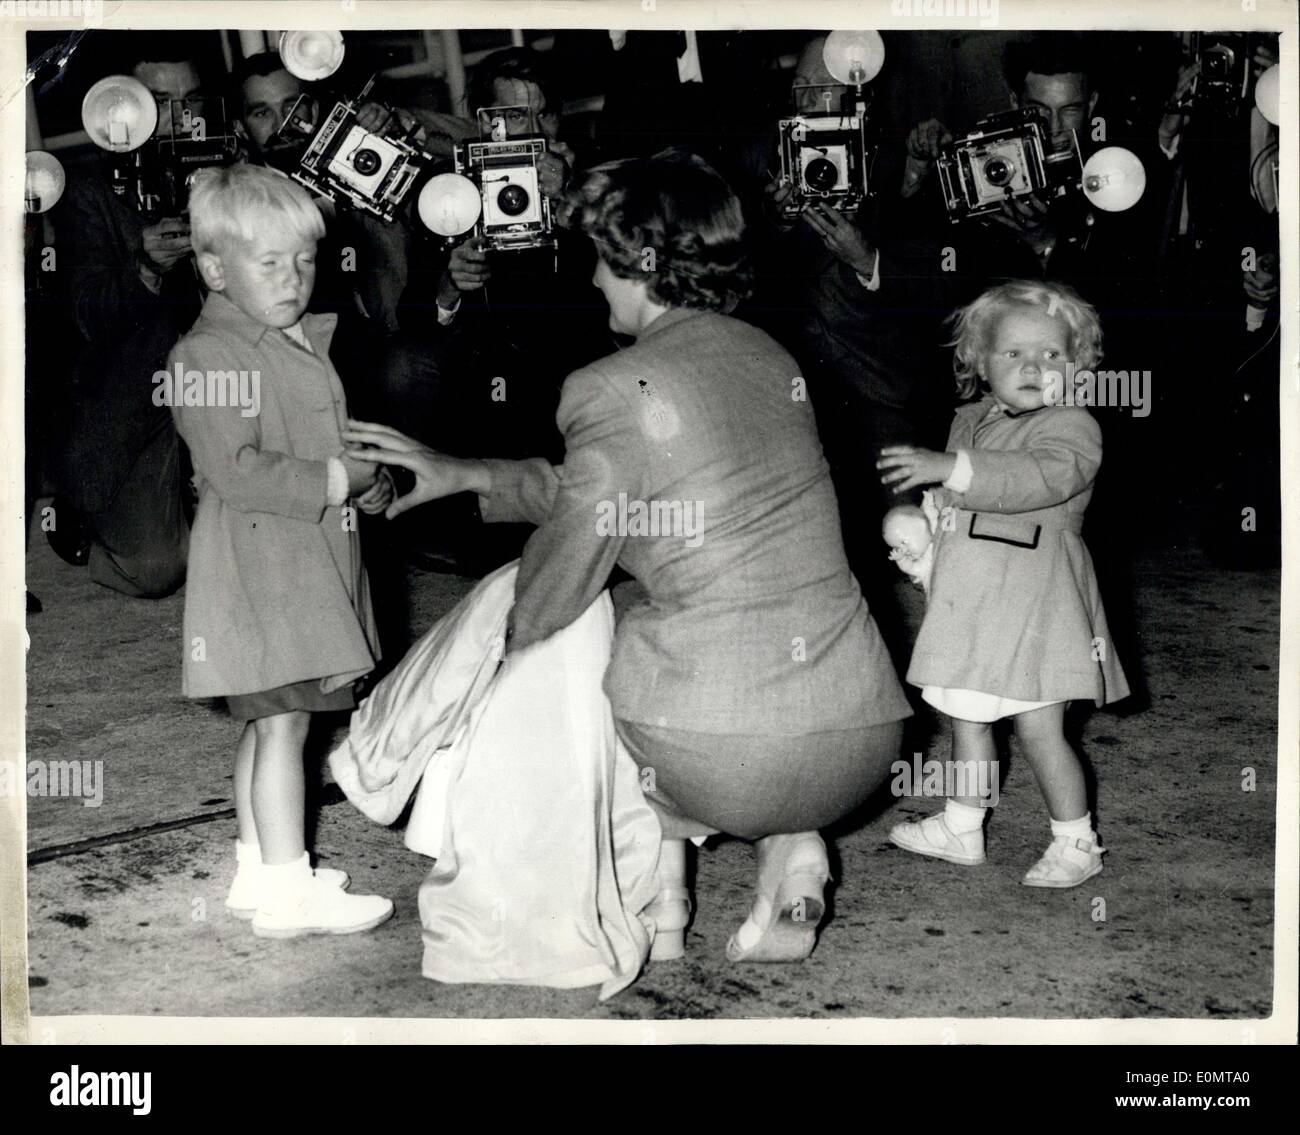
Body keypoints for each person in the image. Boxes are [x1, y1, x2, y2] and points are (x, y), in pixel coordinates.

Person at [345, 151, 911, 963]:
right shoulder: (770, 359)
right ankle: (790, 847)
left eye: (599, 261)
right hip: (860, 740)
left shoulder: (610, 383)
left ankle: (657, 898)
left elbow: (552, 588)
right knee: (697, 608)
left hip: (717, 755)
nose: (595, 282)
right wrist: (468, 472)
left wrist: (485, 669)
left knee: (555, 624)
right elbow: (646, 491)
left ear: (634, 264)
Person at [169, 164, 393, 937]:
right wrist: (336, 477)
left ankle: (258, 869)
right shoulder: (206, 355)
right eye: (270, 265)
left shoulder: (287, 336)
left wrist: (363, 484)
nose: (294, 278)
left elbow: (321, 439)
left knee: (269, 724)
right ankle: (288, 894)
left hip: (296, 563)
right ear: (214, 267)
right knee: (287, 724)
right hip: (263, 573)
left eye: (305, 260)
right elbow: (234, 469)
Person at [878, 280, 1129, 887]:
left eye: (1052, 355)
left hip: (1038, 603)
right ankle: (963, 824)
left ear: (1078, 367)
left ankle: (1077, 840)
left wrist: (954, 471)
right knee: (967, 719)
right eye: (1013, 354)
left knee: (1041, 729)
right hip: (973, 601)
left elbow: (1037, 479)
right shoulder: (970, 420)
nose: (1034, 367)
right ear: (979, 364)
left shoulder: (1074, 427)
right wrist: (924, 541)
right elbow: (952, 502)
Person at [51, 41, 206, 597]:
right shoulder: (89, 193)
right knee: (157, 567)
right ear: (120, 107)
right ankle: (87, 514)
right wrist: (145, 267)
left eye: (191, 101)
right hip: (141, 400)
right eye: (160, 102)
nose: (180, 120)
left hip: (227, 384)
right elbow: (87, 317)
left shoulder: (225, 169)